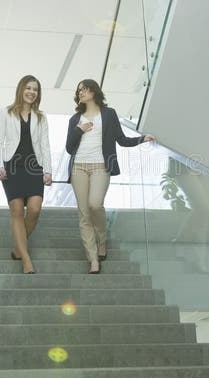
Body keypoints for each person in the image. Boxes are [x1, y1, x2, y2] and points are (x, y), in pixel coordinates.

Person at [66, 79, 155, 274]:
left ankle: (102, 240)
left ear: (94, 91)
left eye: (85, 89)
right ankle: (93, 259)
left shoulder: (108, 114)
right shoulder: (75, 119)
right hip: (78, 167)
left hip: (101, 166)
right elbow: (69, 147)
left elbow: (121, 140)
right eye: (79, 90)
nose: (81, 92)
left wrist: (142, 139)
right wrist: (79, 130)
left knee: (95, 205)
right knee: (83, 213)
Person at [0, 75, 52, 274]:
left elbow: (45, 145)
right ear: (21, 89)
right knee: (17, 211)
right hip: (12, 166)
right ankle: (26, 259)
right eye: (28, 88)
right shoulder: (6, 112)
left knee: (34, 210)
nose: (31, 92)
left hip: (34, 167)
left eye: (35, 89)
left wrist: (48, 170)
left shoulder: (41, 117)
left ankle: (18, 247)